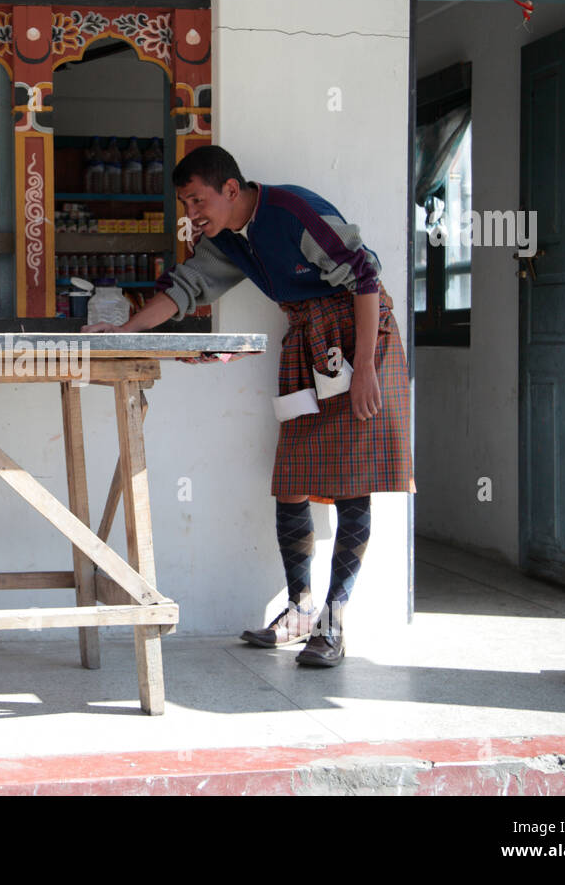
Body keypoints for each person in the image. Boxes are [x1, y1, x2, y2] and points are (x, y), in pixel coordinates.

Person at [84, 145, 414, 666]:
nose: (191, 215)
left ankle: (334, 623)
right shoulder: (224, 242)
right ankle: (299, 610)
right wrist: (125, 331)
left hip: (361, 337)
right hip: (307, 340)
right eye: (185, 205)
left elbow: (366, 275)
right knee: (292, 481)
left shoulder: (292, 212)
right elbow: (186, 288)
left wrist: (366, 367)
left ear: (231, 190)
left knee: (353, 484)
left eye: (197, 201)